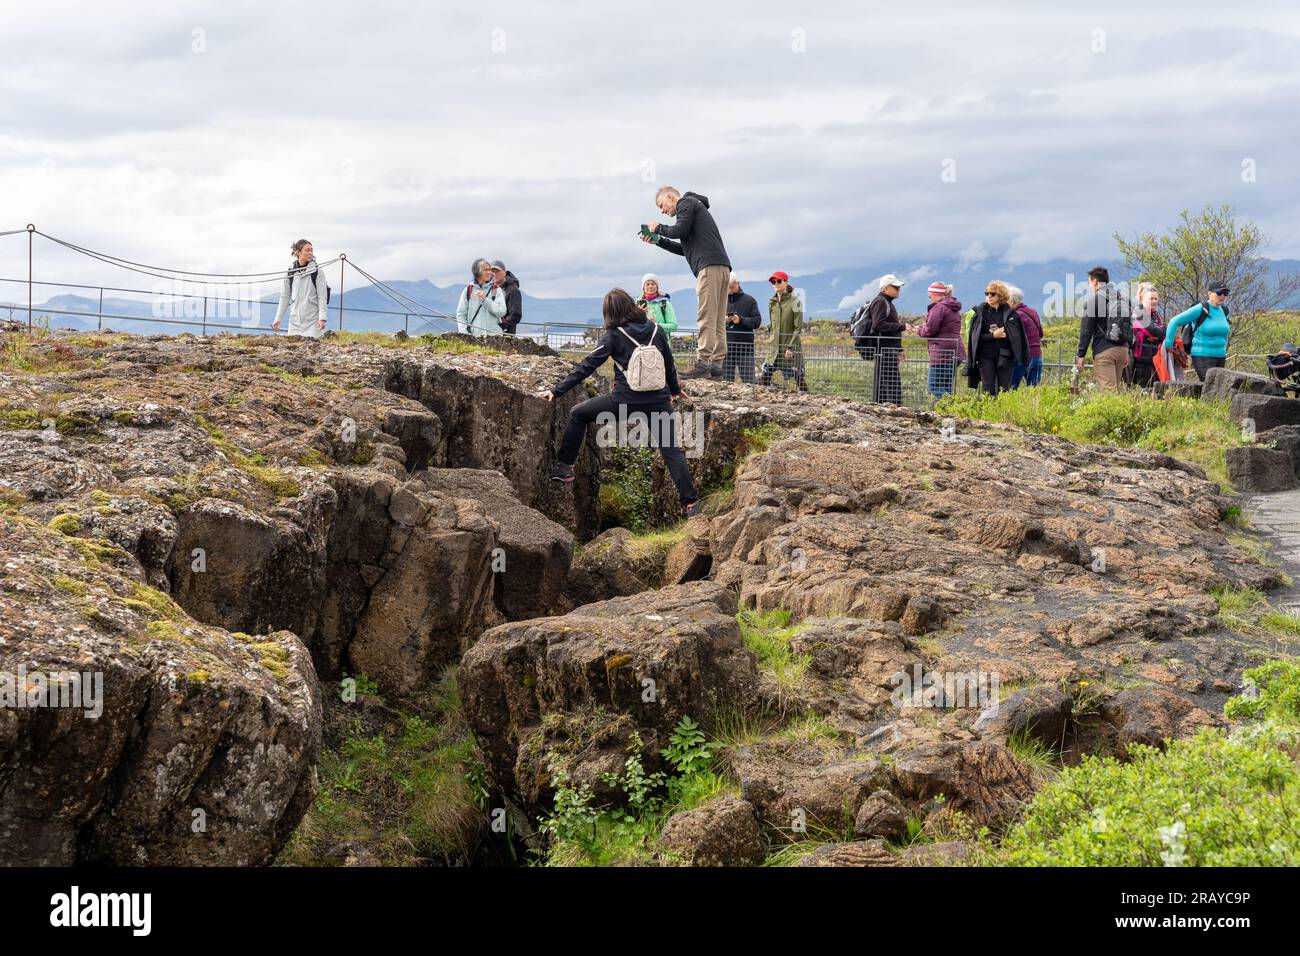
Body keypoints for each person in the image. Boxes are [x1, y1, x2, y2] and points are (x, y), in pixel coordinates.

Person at [536, 288, 702, 518]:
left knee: (577, 414)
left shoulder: (615, 335)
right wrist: (674, 391)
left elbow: (588, 365)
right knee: (671, 452)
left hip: (625, 402)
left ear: (610, 313)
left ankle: (565, 468)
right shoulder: (657, 330)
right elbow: (669, 365)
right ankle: (692, 504)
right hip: (659, 401)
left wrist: (556, 390)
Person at [641, 187, 732, 379]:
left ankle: (703, 362)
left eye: (662, 205)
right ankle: (716, 364)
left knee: (706, 316)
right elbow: (685, 249)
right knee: (717, 319)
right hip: (721, 267)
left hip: (708, 267)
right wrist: (658, 241)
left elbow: (678, 230)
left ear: (671, 197)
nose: (662, 211)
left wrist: (657, 227)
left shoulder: (686, 204)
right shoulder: (695, 208)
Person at [966, 280, 1028, 396]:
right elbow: (975, 338)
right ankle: (988, 412)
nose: (989, 296)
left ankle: (1002, 413)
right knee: (988, 389)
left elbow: (1018, 337)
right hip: (985, 357)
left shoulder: (1011, 314)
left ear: (1001, 296)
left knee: (1004, 389)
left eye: (992, 294)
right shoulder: (980, 314)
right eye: (987, 293)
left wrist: (1006, 336)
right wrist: (993, 336)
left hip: (1005, 356)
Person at [1075, 266, 1131, 394]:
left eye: (1089, 282)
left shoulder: (1093, 301)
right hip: (1123, 349)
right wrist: (1127, 349)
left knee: (1108, 393)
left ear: (1094, 282)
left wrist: (1081, 355)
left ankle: (1115, 414)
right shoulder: (1121, 299)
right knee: (1116, 389)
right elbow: (1128, 325)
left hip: (1104, 350)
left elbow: (1086, 330)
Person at [1164, 281, 1231, 382]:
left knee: (1217, 388)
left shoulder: (1224, 310)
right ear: (1209, 293)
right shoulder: (1201, 308)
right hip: (1202, 355)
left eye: (1225, 293)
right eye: (1219, 293)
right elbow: (1174, 322)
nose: (1222, 296)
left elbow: (1224, 334)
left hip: (1221, 356)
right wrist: (1168, 345)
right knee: (1210, 386)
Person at [909, 281, 964, 398]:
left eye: (930, 296)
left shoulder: (938, 308)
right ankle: (951, 411)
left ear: (936, 294)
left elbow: (929, 330)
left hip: (941, 353)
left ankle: (952, 405)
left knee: (933, 386)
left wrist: (918, 330)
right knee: (945, 385)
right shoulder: (953, 308)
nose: (929, 299)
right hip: (955, 351)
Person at [271, 239, 329, 338]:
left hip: (313, 322)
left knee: (313, 350)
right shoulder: (290, 272)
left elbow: (322, 296)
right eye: (307, 250)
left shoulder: (318, 271)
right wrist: (278, 319)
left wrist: (322, 318)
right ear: (298, 252)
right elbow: (285, 296)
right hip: (295, 322)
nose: (310, 253)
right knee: (293, 351)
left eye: (311, 250)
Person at [862, 275, 906, 405]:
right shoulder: (880, 302)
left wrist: (899, 348)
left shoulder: (886, 302)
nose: (899, 290)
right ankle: (895, 408)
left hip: (888, 349)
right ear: (886, 288)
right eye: (896, 287)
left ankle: (882, 408)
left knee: (884, 382)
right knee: (891, 382)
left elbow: (885, 326)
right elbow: (878, 324)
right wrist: (901, 326)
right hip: (884, 349)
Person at [761, 271, 806, 391]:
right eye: (773, 282)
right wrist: (770, 339)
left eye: (779, 281)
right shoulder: (772, 302)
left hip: (789, 349)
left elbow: (798, 328)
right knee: (765, 376)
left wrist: (790, 347)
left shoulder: (795, 301)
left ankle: (811, 402)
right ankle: (761, 402)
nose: (776, 283)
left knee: (799, 379)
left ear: (786, 282)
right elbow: (772, 325)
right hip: (774, 349)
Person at [723, 272, 762, 383]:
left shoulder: (750, 301)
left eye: (731, 286)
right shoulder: (721, 301)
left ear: (738, 284)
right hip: (726, 348)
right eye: (727, 286)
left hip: (744, 349)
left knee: (749, 382)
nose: (729, 289)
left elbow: (757, 322)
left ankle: (752, 400)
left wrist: (741, 320)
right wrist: (722, 320)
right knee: (725, 383)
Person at [1127, 282, 1166, 387]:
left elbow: (1162, 334)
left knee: (1157, 391)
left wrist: (1160, 331)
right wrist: (1160, 331)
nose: (1154, 301)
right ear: (1142, 298)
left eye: (1155, 298)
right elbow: (1152, 331)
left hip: (1155, 361)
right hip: (1141, 362)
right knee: (1144, 392)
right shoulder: (1138, 313)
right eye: (1151, 298)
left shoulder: (1155, 315)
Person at [456, 258, 506, 336]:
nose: (489, 272)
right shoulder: (468, 290)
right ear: (477, 272)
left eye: (489, 269)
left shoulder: (496, 289)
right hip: (475, 337)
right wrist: (464, 333)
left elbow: (502, 311)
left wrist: (485, 300)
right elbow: (461, 314)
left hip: (495, 337)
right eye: (485, 269)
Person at [1008, 286, 1044, 388]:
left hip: (1022, 357)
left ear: (1012, 302)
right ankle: (1035, 404)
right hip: (1037, 355)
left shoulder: (1015, 316)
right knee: (1034, 388)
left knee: (1011, 387)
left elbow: (1013, 338)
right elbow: (1040, 334)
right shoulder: (1033, 312)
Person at [490, 260, 523, 335]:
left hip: (506, 334)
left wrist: (501, 326)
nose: (495, 274)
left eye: (497, 271)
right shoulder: (489, 289)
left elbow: (515, 314)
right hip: (490, 331)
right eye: (492, 271)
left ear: (504, 272)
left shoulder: (513, 290)